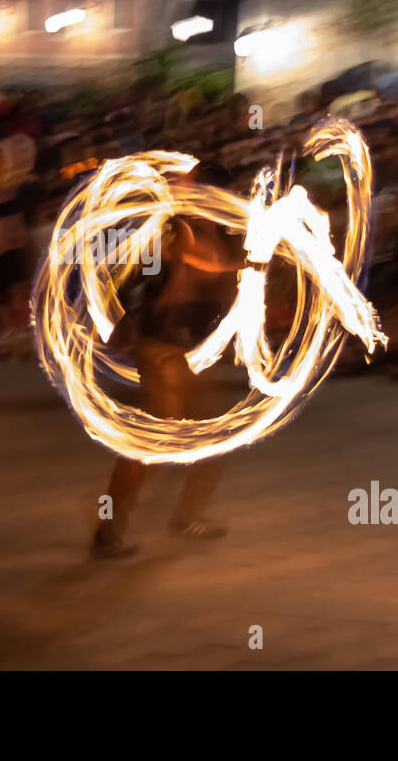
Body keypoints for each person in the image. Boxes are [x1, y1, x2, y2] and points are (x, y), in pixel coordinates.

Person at [91, 171, 242, 559]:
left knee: (209, 434)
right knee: (156, 441)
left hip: (178, 350)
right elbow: (201, 263)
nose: (191, 187)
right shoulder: (170, 229)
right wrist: (249, 261)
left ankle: (187, 517)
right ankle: (108, 531)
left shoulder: (186, 225)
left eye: (191, 181)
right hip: (161, 349)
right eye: (180, 182)